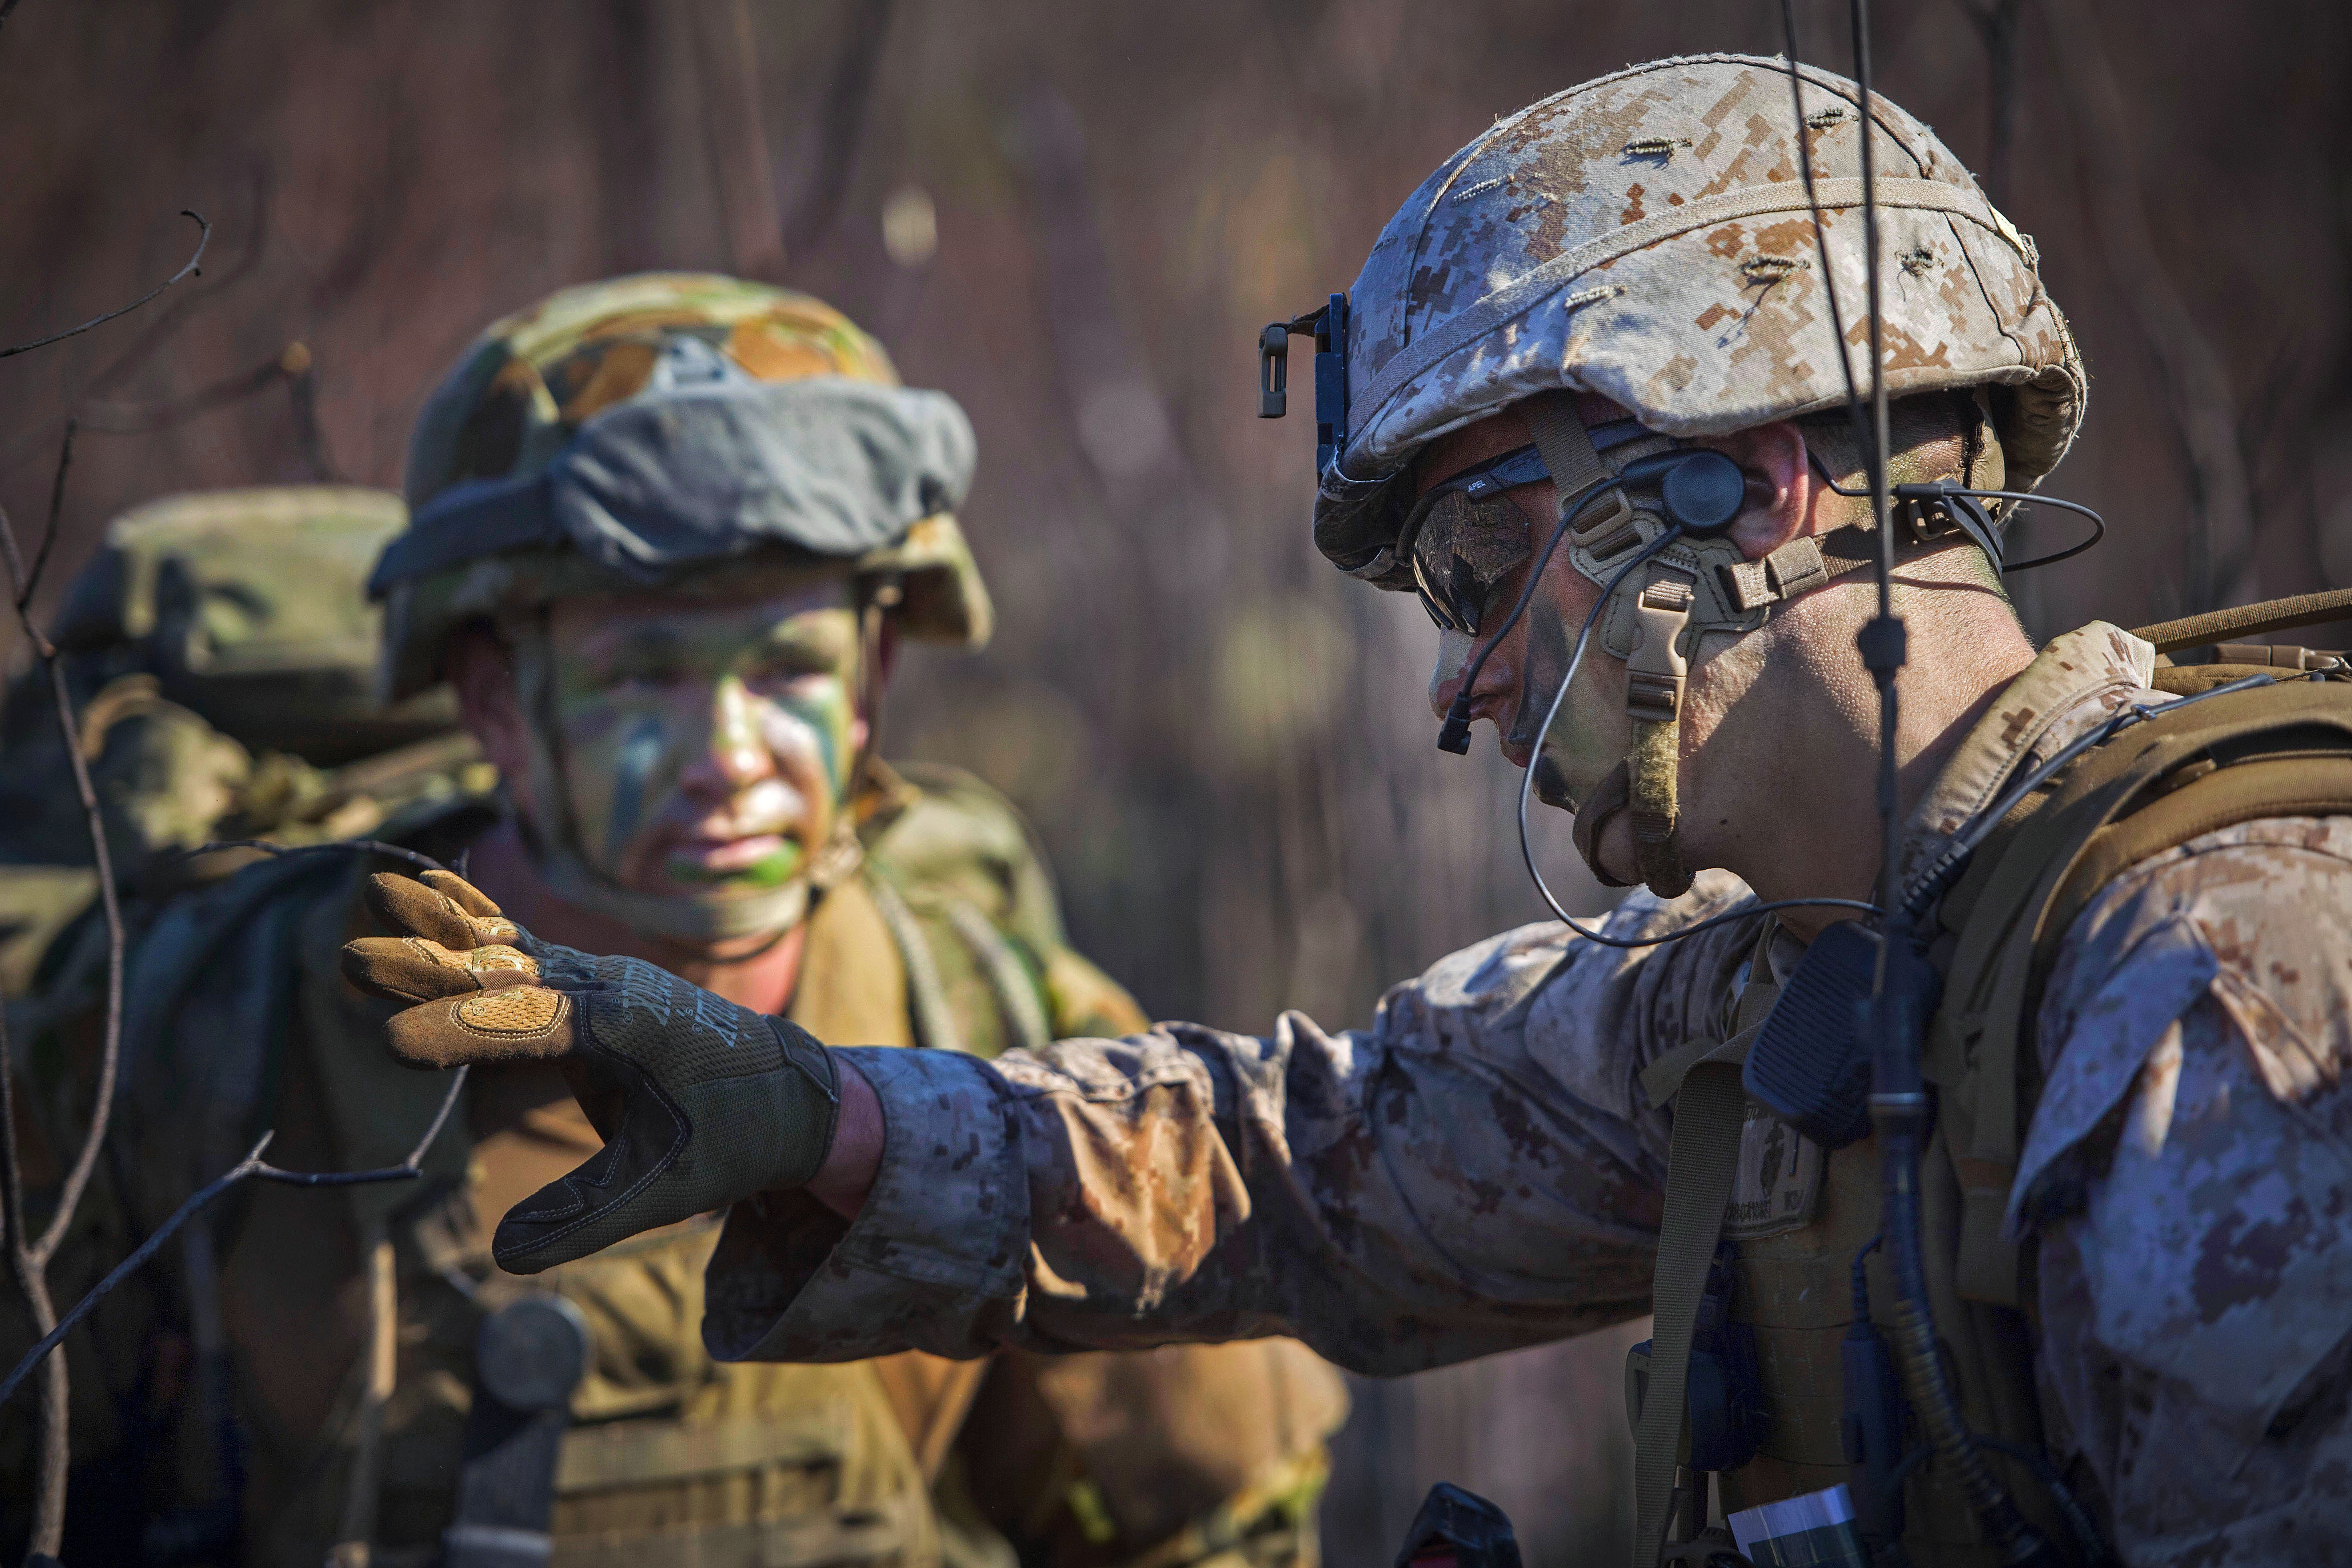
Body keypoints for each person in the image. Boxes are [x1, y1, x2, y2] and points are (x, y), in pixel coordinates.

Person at [345, 60, 2349, 1568]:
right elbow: (1309, 1151)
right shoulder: (1782, 980)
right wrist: (830, 1121)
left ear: (1744, 485)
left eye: (1483, 566)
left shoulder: (2216, 1000)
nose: (1459, 684)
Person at [3, 278, 1343, 1568]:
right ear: (492, 701)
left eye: (789, 669)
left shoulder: (990, 1024)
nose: (731, 755)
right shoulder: (213, 1035)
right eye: (643, 676)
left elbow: (1203, 1528)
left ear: (874, 679)